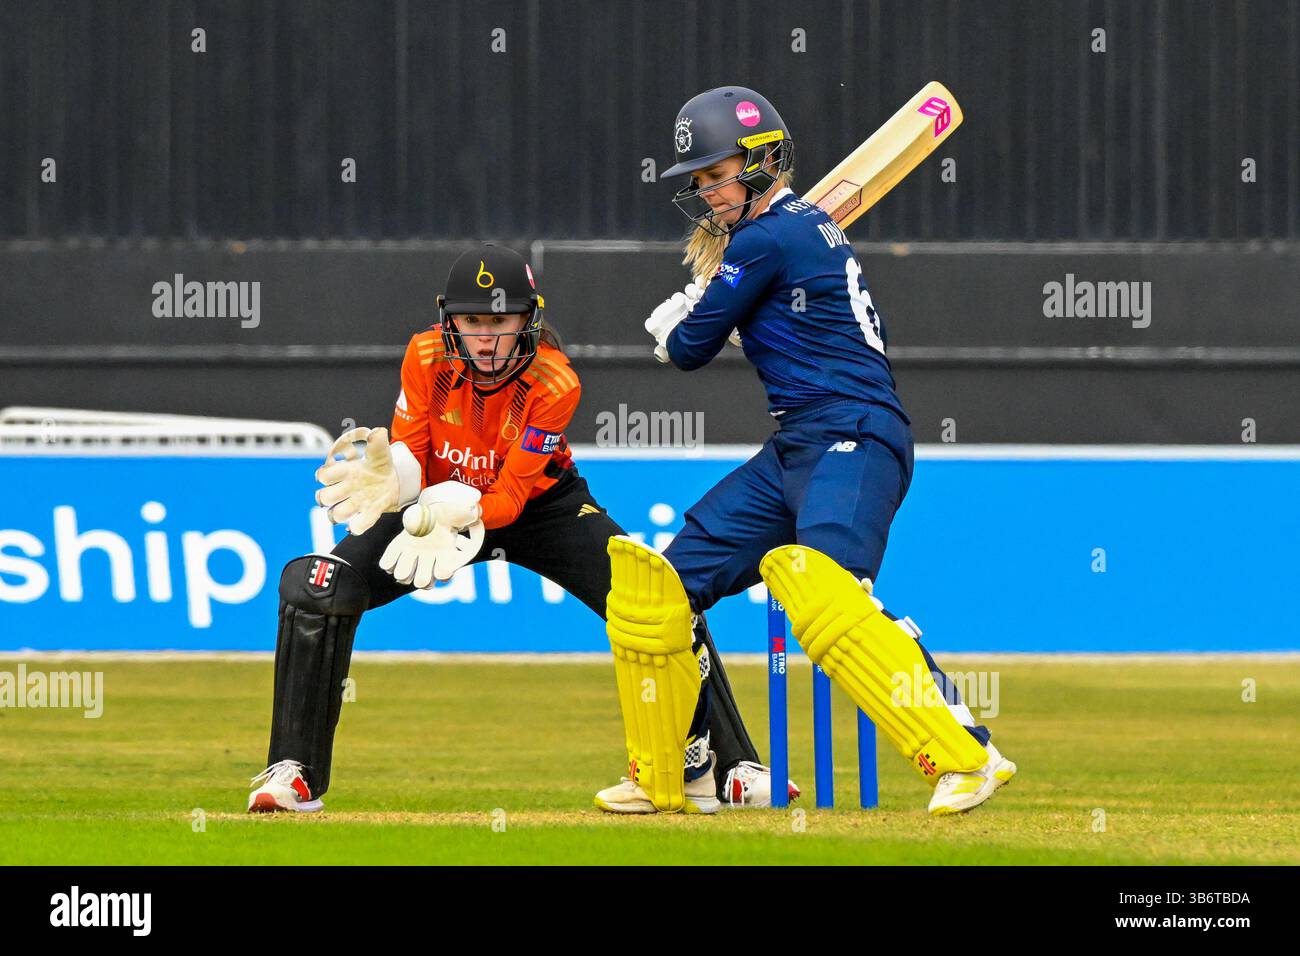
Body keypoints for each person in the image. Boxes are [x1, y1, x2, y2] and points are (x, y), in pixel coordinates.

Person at [247, 243, 788, 815]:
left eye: (500, 321)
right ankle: (295, 772)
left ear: (529, 319)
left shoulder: (555, 382)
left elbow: (508, 497)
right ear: (448, 318)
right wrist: (398, 481)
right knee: (317, 586)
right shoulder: (425, 355)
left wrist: (454, 509)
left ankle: (731, 767)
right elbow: (413, 450)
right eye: (472, 321)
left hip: (541, 507)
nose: (486, 337)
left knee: (657, 594)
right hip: (431, 507)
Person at [617, 86, 1016, 816]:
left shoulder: (768, 239)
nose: (708, 193)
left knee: (832, 592)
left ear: (765, 163)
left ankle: (968, 751)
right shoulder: (786, 236)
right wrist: (721, 300)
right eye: (700, 181)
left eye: (718, 175)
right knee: (664, 590)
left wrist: (691, 318)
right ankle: (685, 767)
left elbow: (691, 350)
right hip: (796, 442)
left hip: (856, 433)